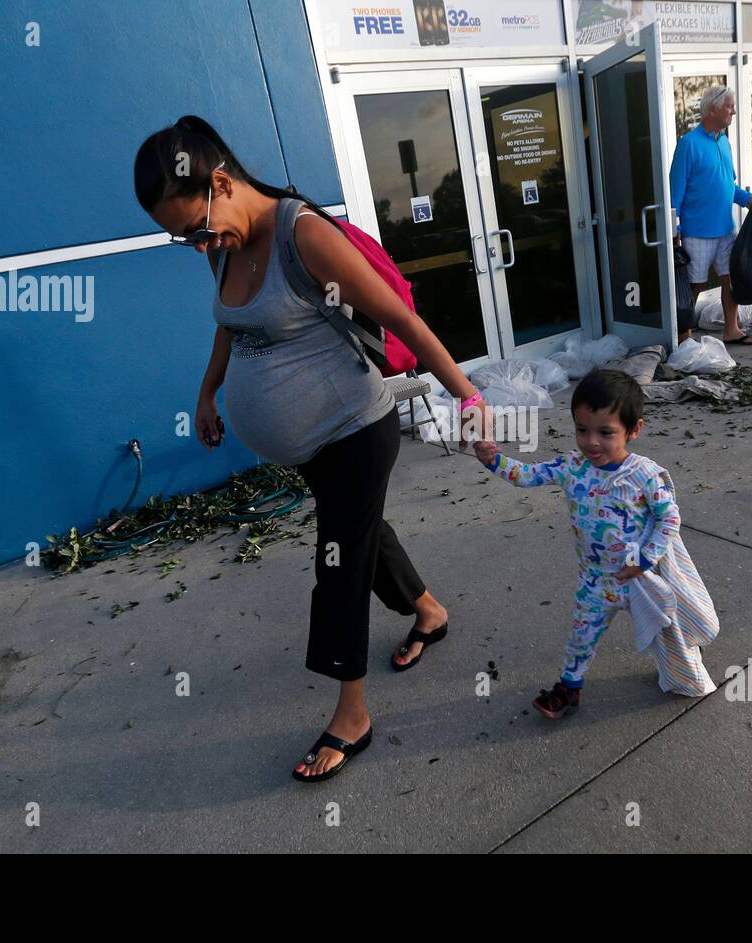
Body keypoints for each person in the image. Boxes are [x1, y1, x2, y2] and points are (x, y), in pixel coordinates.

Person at [134, 115, 490, 782]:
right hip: (311, 446)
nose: (194, 243)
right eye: (181, 236)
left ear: (220, 183)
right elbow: (230, 325)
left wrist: (468, 397)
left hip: (354, 431)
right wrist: (208, 393)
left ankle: (351, 714)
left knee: (339, 563)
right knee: (361, 533)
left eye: (193, 227)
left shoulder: (303, 235)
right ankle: (428, 611)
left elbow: (400, 317)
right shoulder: (225, 242)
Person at [472, 369, 720, 717]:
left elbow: (669, 518)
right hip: (595, 581)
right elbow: (527, 475)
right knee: (581, 638)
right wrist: (493, 460)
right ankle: (569, 688)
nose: (591, 442)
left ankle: (684, 670)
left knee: (670, 632)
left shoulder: (644, 475)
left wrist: (646, 559)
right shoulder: (571, 466)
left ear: (634, 431)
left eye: (606, 433)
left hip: (641, 580)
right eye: (582, 430)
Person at [669, 85, 752, 346]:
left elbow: (726, 185)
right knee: (694, 286)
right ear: (712, 109)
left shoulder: (724, 142)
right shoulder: (688, 145)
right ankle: (683, 336)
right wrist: (674, 231)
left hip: (725, 229)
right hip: (696, 232)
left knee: (731, 281)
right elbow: (675, 194)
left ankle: (731, 329)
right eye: (729, 106)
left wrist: (747, 200)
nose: (733, 111)